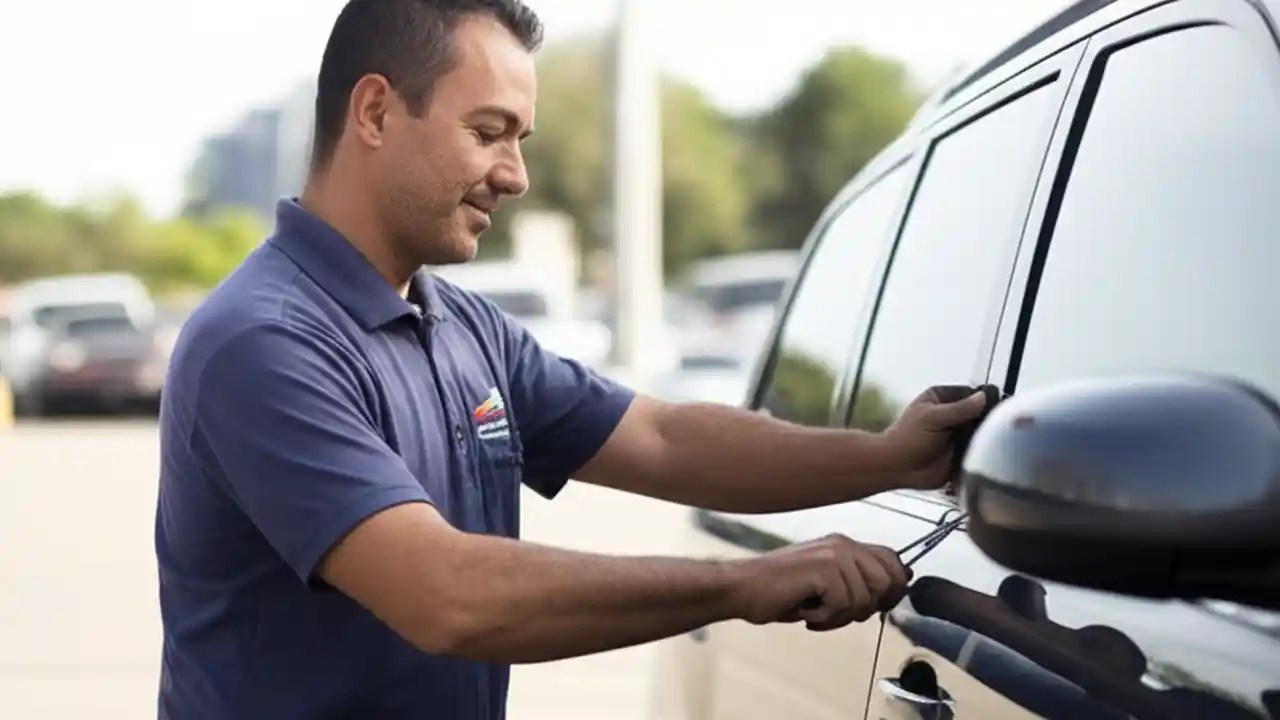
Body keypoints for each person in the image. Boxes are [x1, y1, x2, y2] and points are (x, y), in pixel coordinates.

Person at [153, 1, 988, 718]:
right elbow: (447, 595)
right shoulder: (263, 341)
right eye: (488, 133)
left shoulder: (462, 327)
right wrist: (744, 585)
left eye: (521, 139)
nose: (514, 176)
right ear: (374, 112)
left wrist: (887, 459)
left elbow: (663, 439)